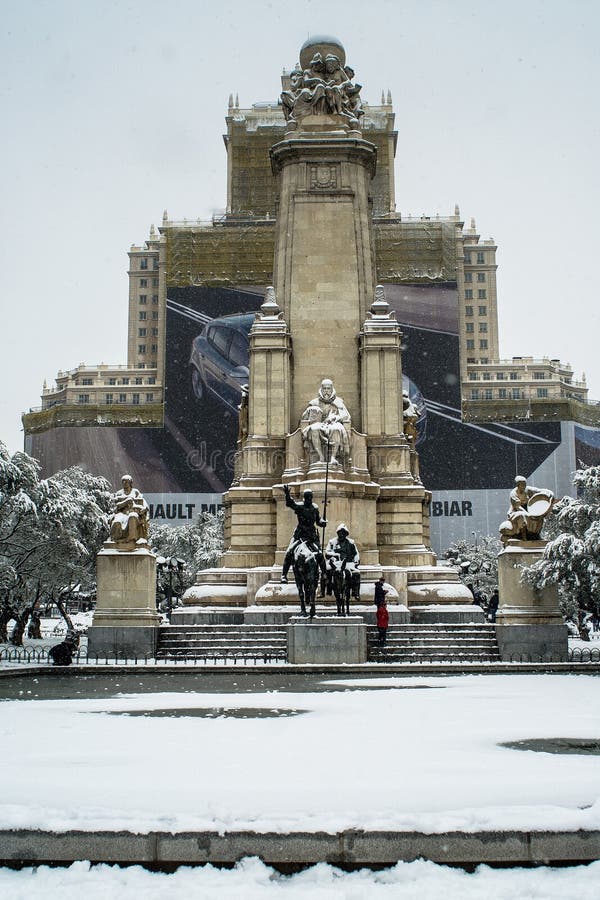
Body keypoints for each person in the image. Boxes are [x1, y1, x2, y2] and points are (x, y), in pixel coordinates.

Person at [280, 484, 327, 583]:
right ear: (304, 498)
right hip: (300, 535)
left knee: (319, 553)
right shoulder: (300, 507)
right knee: (289, 552)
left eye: (310, 498)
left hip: (311, 536)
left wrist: (322, 523)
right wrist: (287, 495)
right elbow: (290, 503)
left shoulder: (315, 508)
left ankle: (324, 573)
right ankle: (284, 575)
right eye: (307, 498)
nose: (309, 500)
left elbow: (318, 521)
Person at [300, 379, 351, 466]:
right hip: (319, 424)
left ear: (332, 389)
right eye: (324, 389)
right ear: (321, 389)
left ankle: (333, 457)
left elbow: (346, 417)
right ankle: (321, 457)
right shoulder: (314, 402)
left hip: (333, 424)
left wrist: (336, 417)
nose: (326, 391)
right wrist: (309, 410)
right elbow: (303, 418)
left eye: (328, 388)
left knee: (337, 429)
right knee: (314, 429)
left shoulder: (338, 402)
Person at [109, 475, 149, 544]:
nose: (125, 483)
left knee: (132, 517)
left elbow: (144, 504)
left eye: (126, 482)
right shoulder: (119, 493)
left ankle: (131, 539)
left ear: (130, 483)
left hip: (133, 512)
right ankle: (116, 540)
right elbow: (114, 506)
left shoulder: (135, 492)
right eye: (123, 482)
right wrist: (126, 502)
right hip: (121, 513)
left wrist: (144, 509)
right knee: (117, 521)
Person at [325, 523, 361, 600]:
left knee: (357, 574)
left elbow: (356, 553)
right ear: (337, 533)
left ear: (346, 534)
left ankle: (356, 592)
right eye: (340, 533)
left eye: (343, 533)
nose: (341, 535)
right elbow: (327, 553)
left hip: (347, 564)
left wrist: (356, 560)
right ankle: (327, 590)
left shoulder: (351, 543)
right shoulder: (332, 542)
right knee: (327, 572)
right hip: (335, 564)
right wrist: (335, 555)